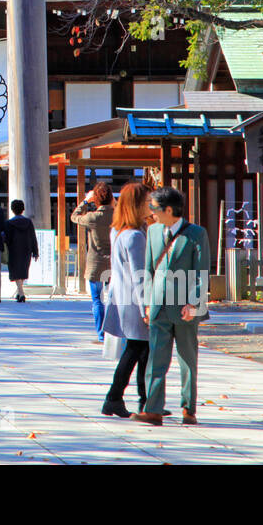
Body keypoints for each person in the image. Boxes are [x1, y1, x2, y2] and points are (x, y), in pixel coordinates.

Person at [133, 186, 211, 427]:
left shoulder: (196, 234)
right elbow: (147, 269)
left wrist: (195, 304)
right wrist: (146, 303)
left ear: (169, 209)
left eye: (154, 208)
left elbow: (202, 273)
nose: (151, 213)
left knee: (188, 358)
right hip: (158, 306)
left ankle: (189, 408)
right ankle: (153, 410)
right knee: (156, 357)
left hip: (185, 308)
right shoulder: (153, 231)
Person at [101, 182, 152, 418]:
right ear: (137, 205)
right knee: (136, 350)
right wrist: (147, 307)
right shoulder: (135, 237)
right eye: (147, 202)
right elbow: (140, 275)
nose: (150, 205)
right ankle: (116, 397)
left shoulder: (119, 231)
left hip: (122, 298)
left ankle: (142, 399)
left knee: (139, 350)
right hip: (135, 302)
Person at [72, 181, 114, 341]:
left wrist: (85, 201)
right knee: (113, 299)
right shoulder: (118, 215)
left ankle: (101, 333)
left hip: (96, 263)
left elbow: (74, 216)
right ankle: (114, 331)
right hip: (114, 263)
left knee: (97, 300)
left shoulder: (92, 217)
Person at [3, 199, 39, 302]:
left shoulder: (9, 223)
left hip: (14, 249)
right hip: (26, 248)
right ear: (23, 209)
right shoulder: (28, 222)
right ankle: (20, 292)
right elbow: (33, 236)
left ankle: (21, 292)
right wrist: (35, 251)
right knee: (23, 270)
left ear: (12, 209)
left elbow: (7, 238)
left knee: (15, 271)